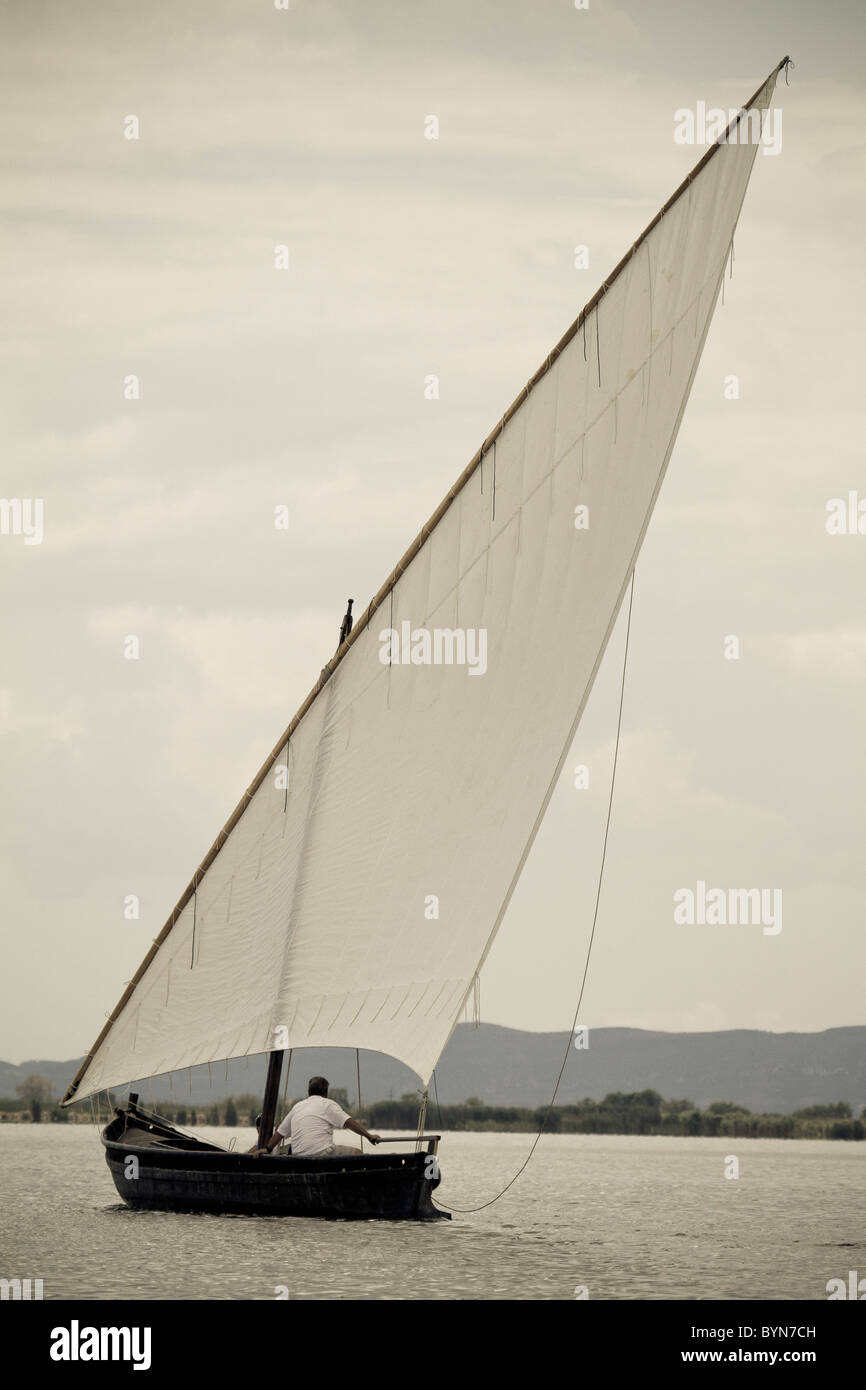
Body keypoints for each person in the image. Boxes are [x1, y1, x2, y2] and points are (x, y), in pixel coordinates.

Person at [252, 1076, 380, 1157]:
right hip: (321, 1154)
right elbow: (348, 1122)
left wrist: (267, 1149)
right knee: (358, 1153)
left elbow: (279, 1133)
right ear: (326, 1092)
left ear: (308, 1091)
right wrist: (369, 1136)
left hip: (299, 1157)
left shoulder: (298, 1106)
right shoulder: (328, 1104)